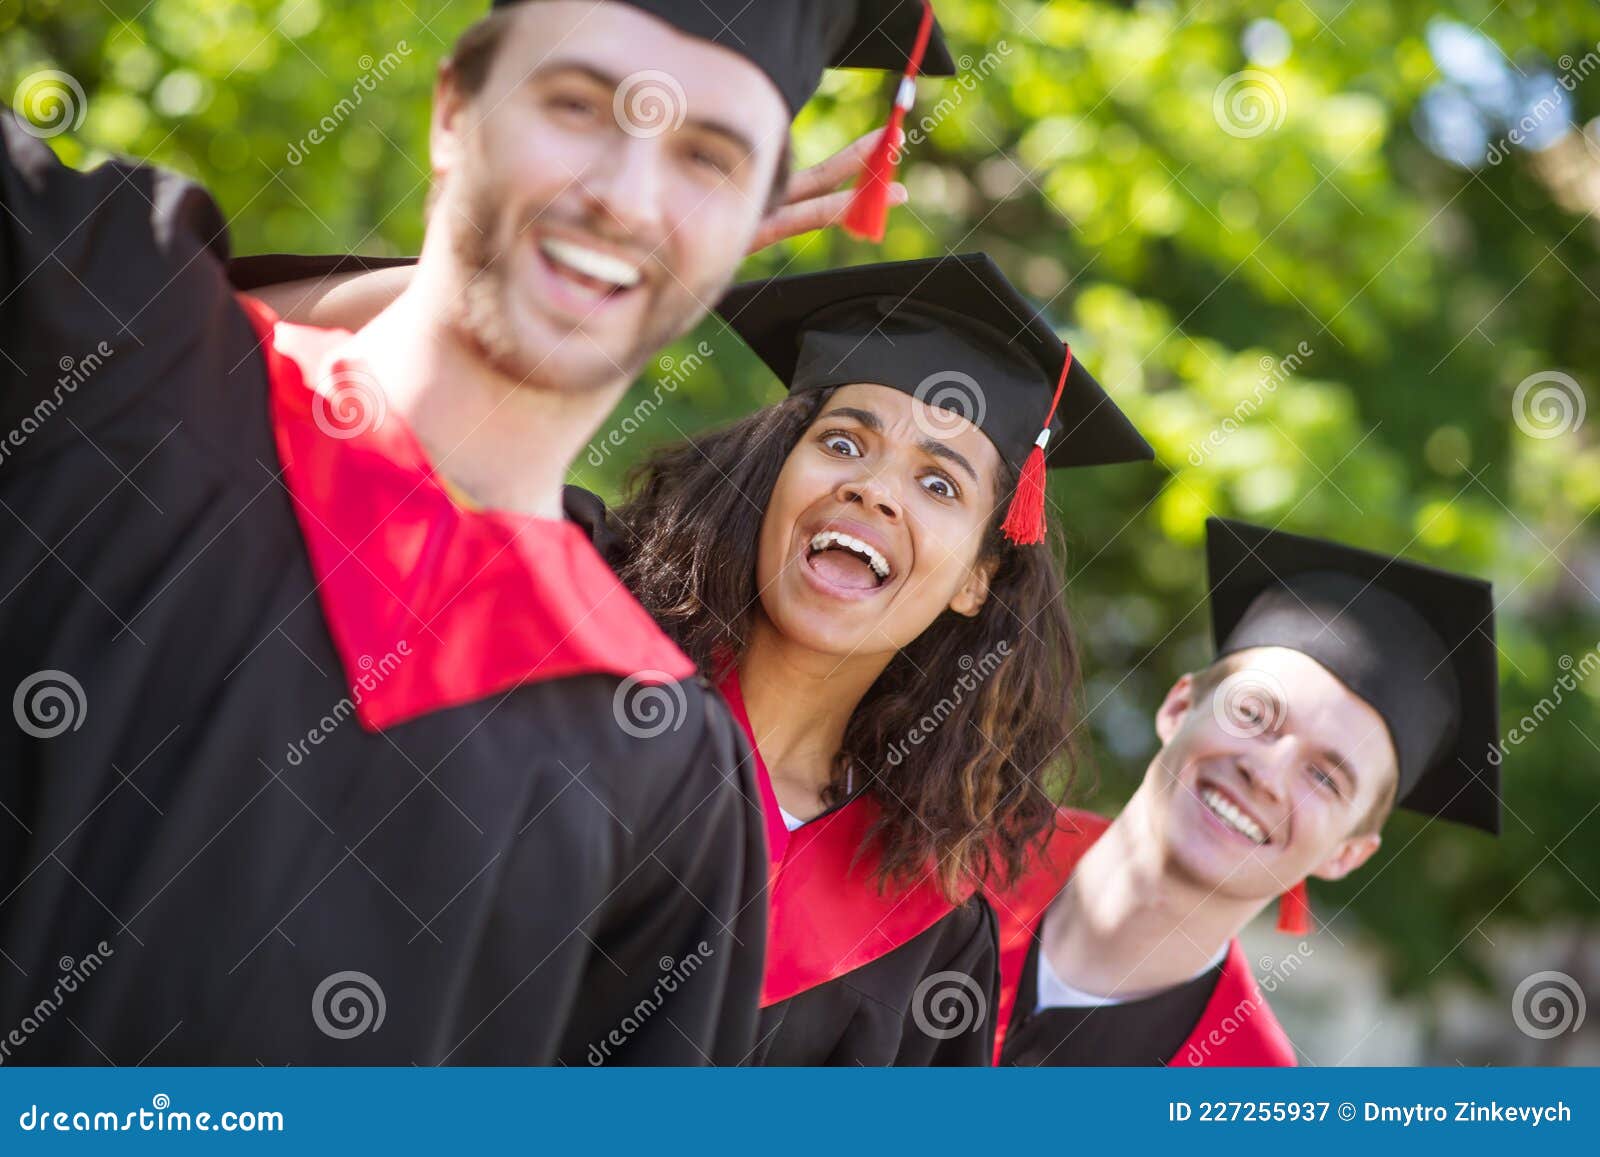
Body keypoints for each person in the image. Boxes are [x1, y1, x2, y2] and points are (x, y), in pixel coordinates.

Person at [0, 0, 947, 1064]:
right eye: (578, 105)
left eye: (706, 159)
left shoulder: (663, 780)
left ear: (750, 229)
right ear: (453, 108)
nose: (626, 195)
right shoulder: (114, 353)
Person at [600, 252, 1154, 1064]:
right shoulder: (584, 677)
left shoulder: (929, 932)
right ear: (774, 472)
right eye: (843, 442)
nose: (876, 490)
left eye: (939, 485)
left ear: (974, 580)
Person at [991, 517, 1500, 1066]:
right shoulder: (941, 850)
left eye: (1325, 777)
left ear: (1345, 854)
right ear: (1179, 706)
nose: (1266, 772)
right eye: (1253, 714)